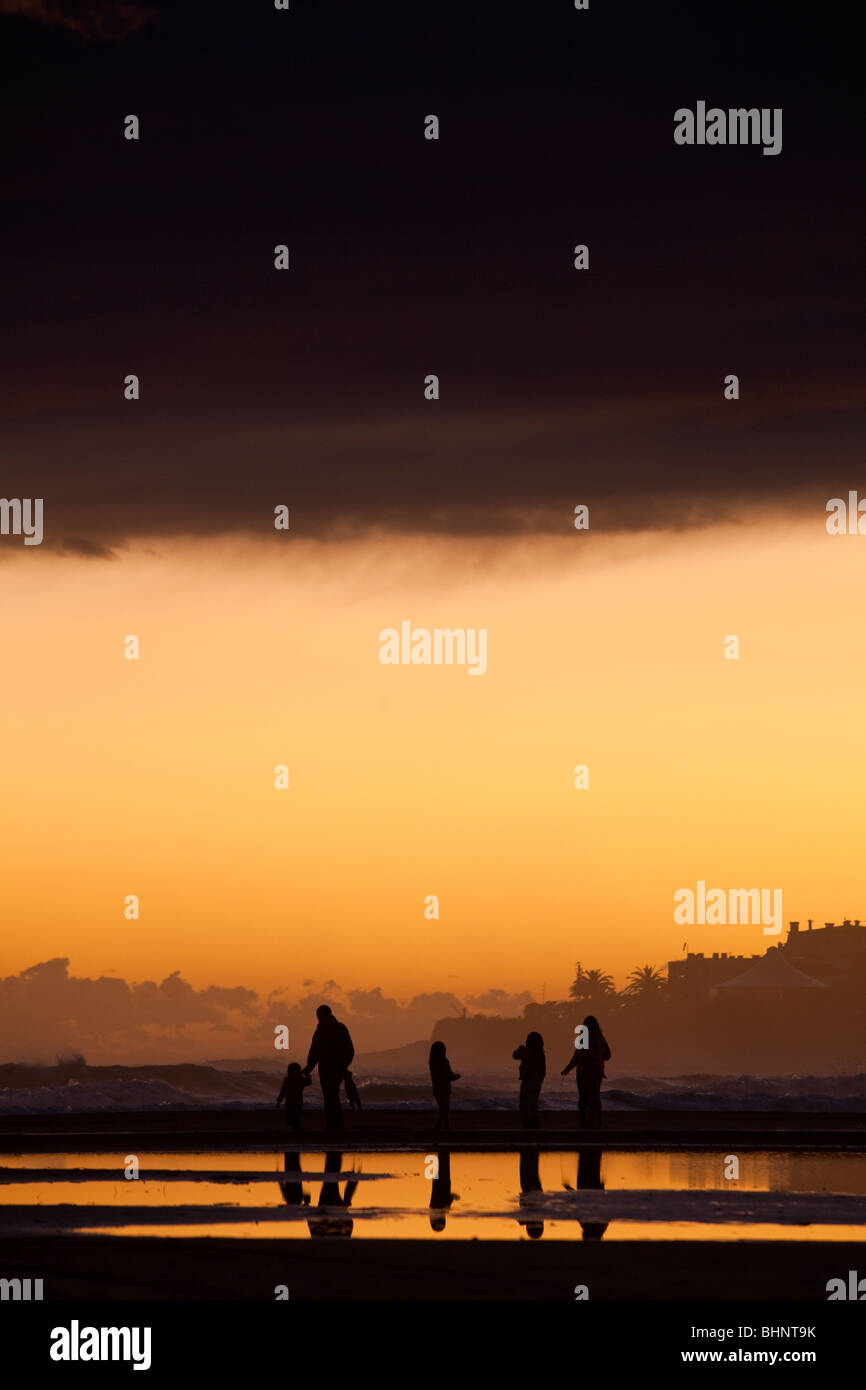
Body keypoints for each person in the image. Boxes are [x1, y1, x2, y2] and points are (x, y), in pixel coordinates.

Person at [302, 1004, 355, 1130]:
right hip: (328, 1069)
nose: (319, 1018)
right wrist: (308, 1068)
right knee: (331, 1095)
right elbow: (315, 1053)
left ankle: (334, 1124)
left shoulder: (334, 1030)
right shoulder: (330, 1030)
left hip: (332, 1069)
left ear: (326, 1015)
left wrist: (343, 1065)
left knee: (331, 1096)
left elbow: (314, 1053)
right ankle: (335, 1124)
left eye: (320, 1016)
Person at [561, 1014, 611, 1130]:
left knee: (584, 1097)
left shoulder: (584, 1038)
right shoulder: (601, 1038)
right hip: (598, 1072)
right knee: (595, 1096)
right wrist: (599, 1058)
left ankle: (585, 1121)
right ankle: (597, 1121)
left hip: (584, 1072)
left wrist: (568, 1069)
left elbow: (577, 1056)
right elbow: (608, 1055)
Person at [512, 1031, 546, 1128]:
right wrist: (540, 1081)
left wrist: (520, 1049)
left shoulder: (525, 1051)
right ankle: (535, 1124)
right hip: (536, 1082)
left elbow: (514, 1055)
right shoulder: (541, 1054)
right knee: (533, 1105)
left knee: (525, 1104)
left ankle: (528, 1124)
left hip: (527, 1081)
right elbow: (543, 1071)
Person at [429, 1041, 461, 1131]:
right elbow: (448, 1075)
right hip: (444, 1088)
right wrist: (456, 1076)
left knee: (443, 1109)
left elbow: (439, 1075)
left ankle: (440, 1128)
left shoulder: (432, 1062)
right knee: (445, 1109)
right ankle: (444, 1128)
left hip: (436, 1088)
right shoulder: (444, 1061)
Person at [275, 1061, 311, 1130]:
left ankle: (297, 1128)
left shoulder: (300, 1080)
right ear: (289, 1072)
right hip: (289, 1102)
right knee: (289, 1118)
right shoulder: (287, 1080)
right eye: (292, 1071)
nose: (293, 1073)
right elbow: (283, 1091)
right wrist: (279, 1101)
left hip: (298, 1102)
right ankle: (296, 1127)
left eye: (295, 1071)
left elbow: (308, 1083)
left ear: (298, 1072)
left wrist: (307, 1076)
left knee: (296, 1117)